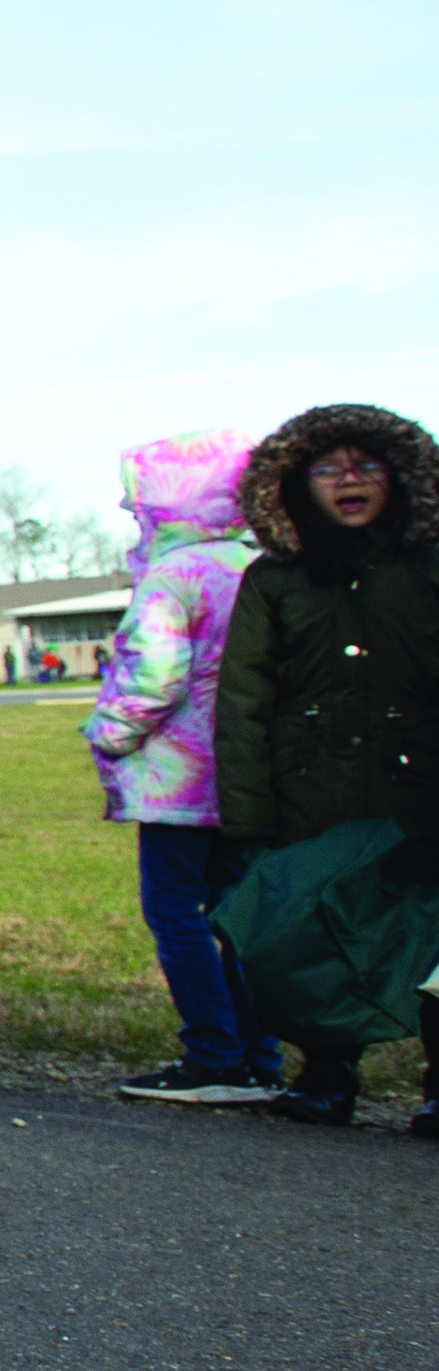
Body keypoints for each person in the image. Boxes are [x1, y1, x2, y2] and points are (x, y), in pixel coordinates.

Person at [216, 404, 439, 1129]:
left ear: (400, 477)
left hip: (422, 786)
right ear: (295, 484)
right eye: (329, 468)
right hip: (312, 790)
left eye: (367, 465)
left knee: (429, 933)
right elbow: (244, 699)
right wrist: (249, 814)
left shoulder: (427, 565)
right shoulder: (275, 580)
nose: (350, 480)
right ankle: (328, 1072)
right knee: (317, 931)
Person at [85, 432, 279, 1105]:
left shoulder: (175, 575)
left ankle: (213, 1054)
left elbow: (153, 678)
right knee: (239, 915)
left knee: (176, 911)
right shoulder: (260, 566)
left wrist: (107, 736)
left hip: (179, 781)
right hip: (247, 775)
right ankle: (260, 1055)